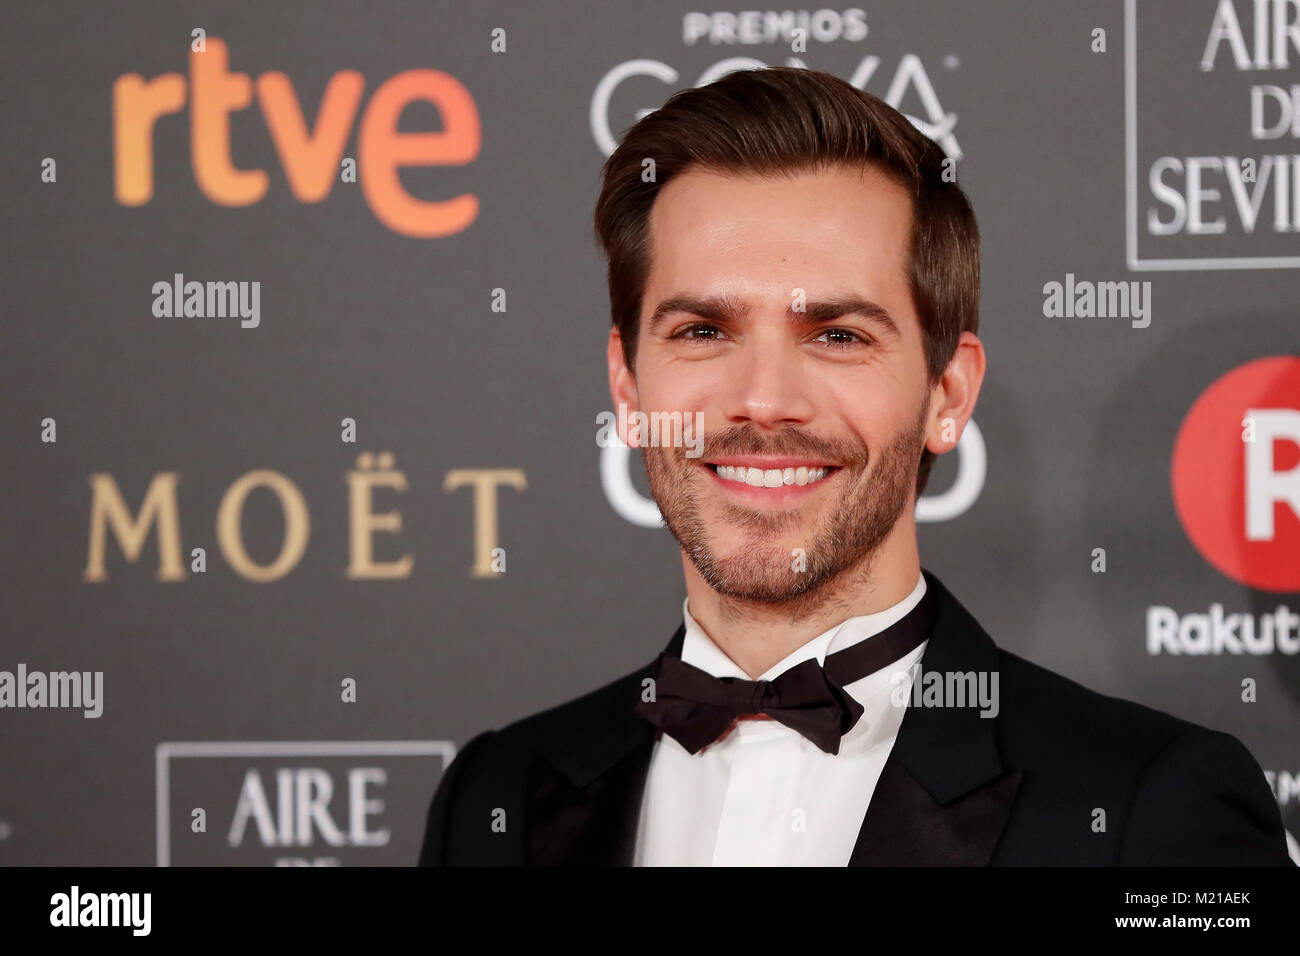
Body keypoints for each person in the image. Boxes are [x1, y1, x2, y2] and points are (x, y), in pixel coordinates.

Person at [418, 67, 1292, 866]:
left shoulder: (1152, 810)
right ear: (627, 383)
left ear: (948, 393)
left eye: (838, 336)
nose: (763, 400)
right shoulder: (495, 801)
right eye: (703, 332)